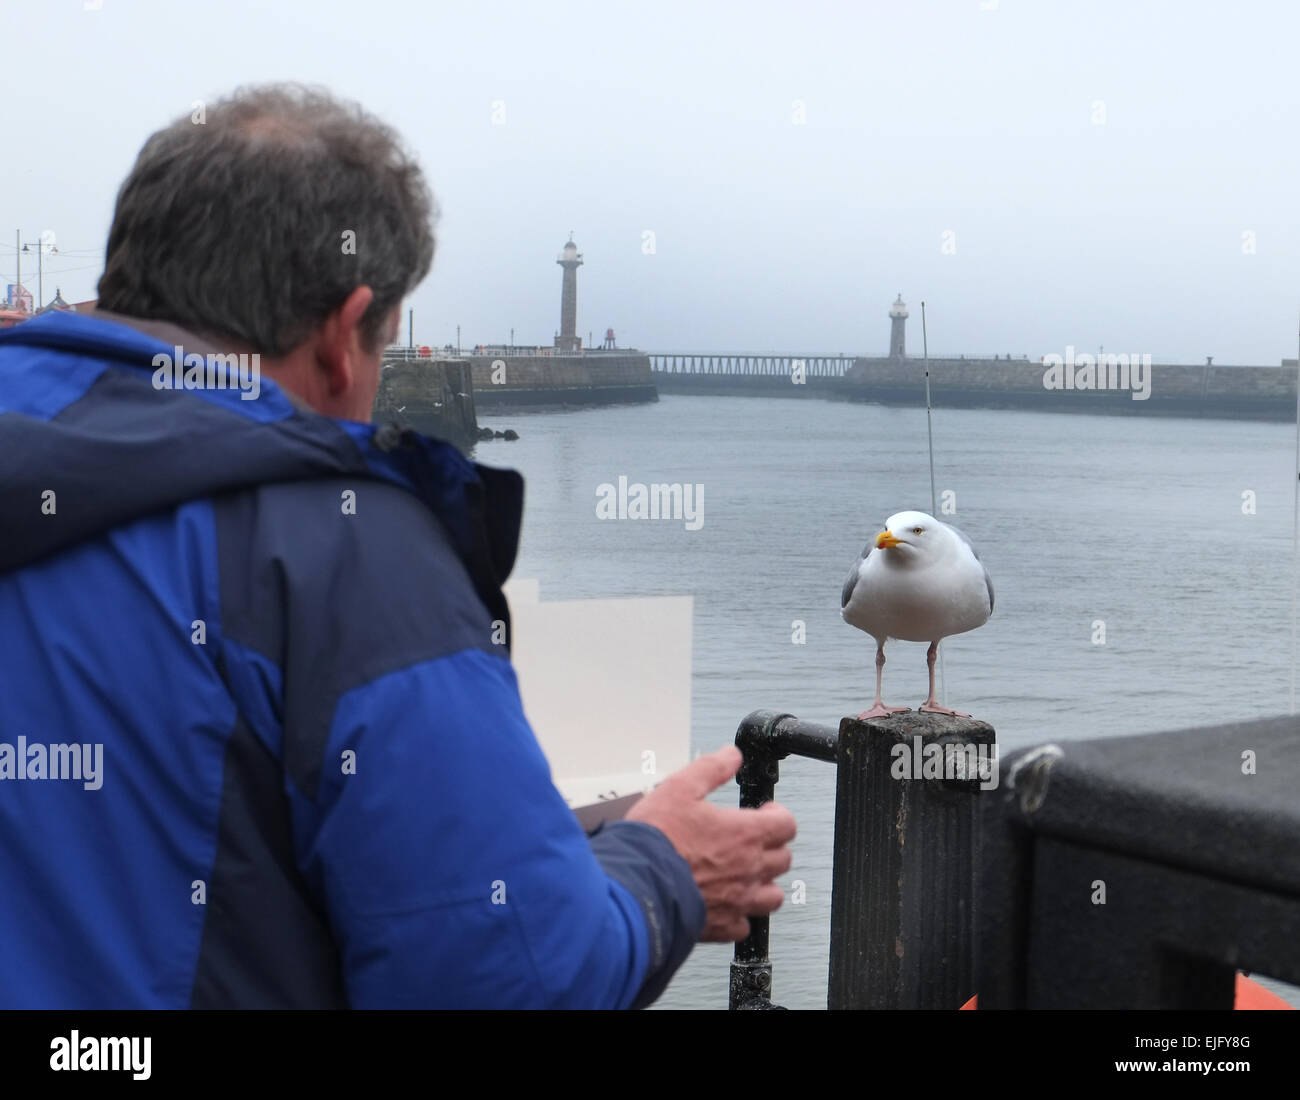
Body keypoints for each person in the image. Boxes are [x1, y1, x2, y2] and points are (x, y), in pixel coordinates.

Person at [0, 84, 796, 1009]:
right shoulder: (335, 550)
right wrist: (661, 873)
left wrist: (541, 847)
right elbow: (505, 979)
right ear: (345, 337)